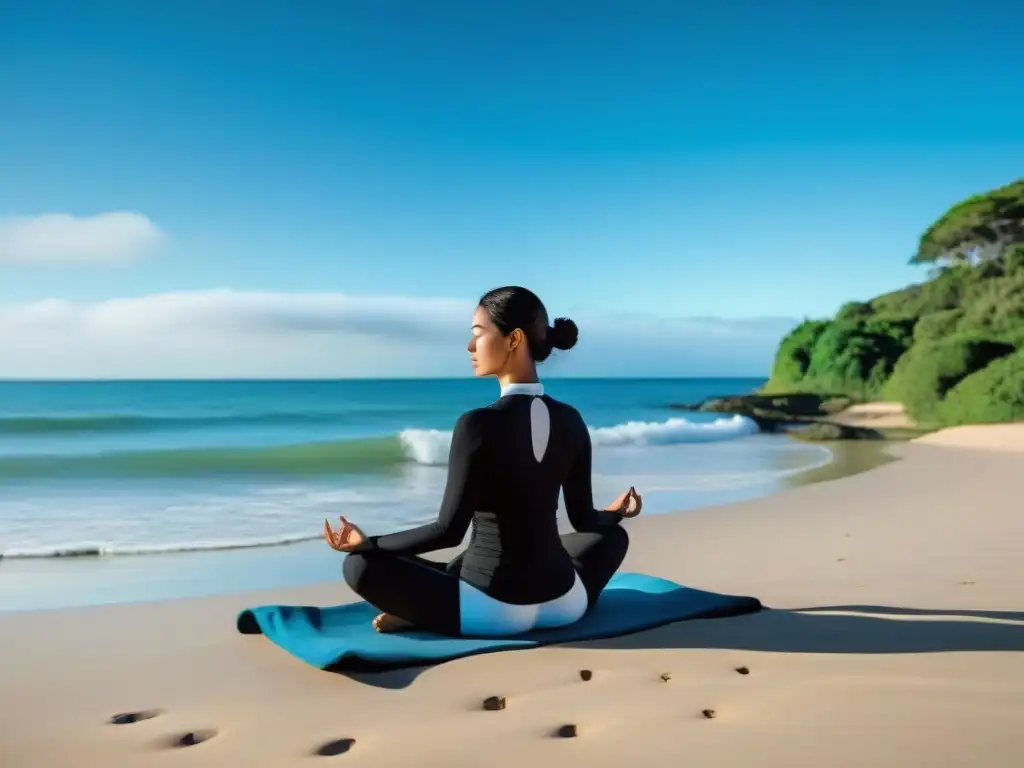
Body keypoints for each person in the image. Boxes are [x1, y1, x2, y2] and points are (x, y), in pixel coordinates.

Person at [324, 286, 642, 637]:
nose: (470, 346)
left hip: (492, 609)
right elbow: (584, 520)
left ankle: (422, 611)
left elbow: (447, 531)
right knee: (612, 538)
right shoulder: (571, 419)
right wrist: (614, 515)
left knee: (360, 566)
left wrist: (369, 543)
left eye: (478, 333)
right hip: (566, 604)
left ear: (513, 339)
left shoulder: (477, 424)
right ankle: (432, 602)